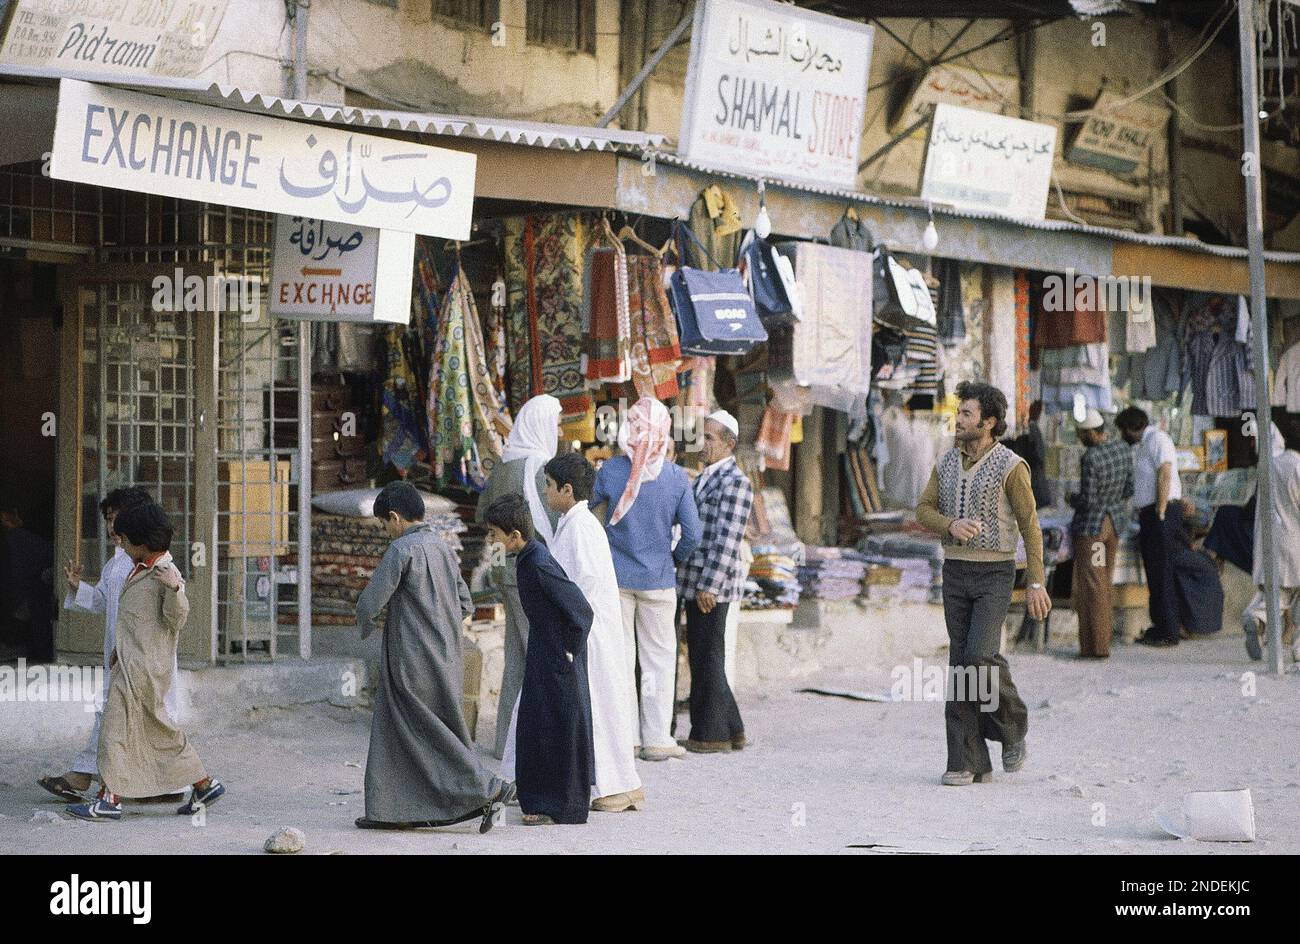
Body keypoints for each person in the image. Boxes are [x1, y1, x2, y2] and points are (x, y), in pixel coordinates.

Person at [353, 482, 514, 832]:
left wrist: (365, 622)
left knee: (424, 731)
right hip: (446, 655)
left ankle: (489, 787)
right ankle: (395, 810)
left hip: (410, 658)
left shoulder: (401, 550)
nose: (385, 532)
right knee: (404, 731)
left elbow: (370, 601)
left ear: (395, 518)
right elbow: (465, 603)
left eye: (384, 525)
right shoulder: (441, 548)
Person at [916, 381, 1047, 786]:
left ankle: (1013, 726)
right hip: (955, 572)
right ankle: (967, 762)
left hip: (995, 573)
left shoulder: (1011, 465)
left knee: (979, 656)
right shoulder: (945, 462)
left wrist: (1037, 583)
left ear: (989, 422)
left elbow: (1030, 525)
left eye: (968, 414)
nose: (960, 419)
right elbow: (923, 509)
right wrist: (949, 524)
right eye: (960, 412)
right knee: (960, 667)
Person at [67, 503, 224, 822]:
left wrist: (176, 589)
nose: (120, 544)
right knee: (158, 732)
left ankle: (109, 799)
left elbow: (176, 619)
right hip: (130, 662)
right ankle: (204, 784)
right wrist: (117, 650)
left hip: (143, 668)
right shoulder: (139, 567)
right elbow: (132, 619)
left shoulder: (165, 572)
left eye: (124, 539)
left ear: (141, 540)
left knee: (113, 731)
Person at [40, 487, 169, 803]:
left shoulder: (150, 565)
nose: (112, 528)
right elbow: (100, 601)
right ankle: (167, 784)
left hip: (136, 655)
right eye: (109, 520)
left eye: (118, 519)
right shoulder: (115, 566)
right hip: (118, 654)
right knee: (127, 718)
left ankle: (86, 779)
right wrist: (77, 587)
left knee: (118, 716)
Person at [590, 398, 701, 761]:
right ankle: (656, 739)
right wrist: (671, 560)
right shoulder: (676, 477)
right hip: (658, 580)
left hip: (617, 580)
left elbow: (593, 521)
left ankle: (626, 739)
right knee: (658, 661)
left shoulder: (609, 472)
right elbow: (693, 535)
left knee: (620, 659)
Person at [484, 494, 594, 825]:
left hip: (556, 656)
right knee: (537, 725)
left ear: (515, 536)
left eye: (495, 535)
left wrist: (569, 650)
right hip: (543, 651)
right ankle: (539, 799)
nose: (492, 541)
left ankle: (557, 806)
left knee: (555, 727)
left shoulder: (539, 563)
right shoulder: (526, 558)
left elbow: (581, 610)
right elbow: (496, 568)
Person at [542, 452, 643, 811]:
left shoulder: (582, 528)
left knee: (599, 706)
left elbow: (580, 584)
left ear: (567, 490)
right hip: (582, 629)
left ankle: (616, 785)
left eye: (549, 486)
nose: (545, 492)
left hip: (587, 631)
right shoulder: (572, 523)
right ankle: (606, 782)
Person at [475, 394, 562, 758]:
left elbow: (483, 512)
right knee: (538, 657)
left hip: (504, 572)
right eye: (555, 423)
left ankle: (505, 745)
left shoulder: (503, 465)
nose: (557, 430)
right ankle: (532, 747)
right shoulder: (539, 469)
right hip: (529, 573)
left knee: (516, 659)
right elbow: (554, 522)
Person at [676, 410, 752, 754]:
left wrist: (710, 585)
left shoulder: (736, 482)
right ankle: (733, 729)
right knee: (707, 654)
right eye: (701, 436)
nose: (702, 443)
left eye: (709, 438)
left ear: (728, 444)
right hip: (697, 580)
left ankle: (710, 735)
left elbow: (727, 538)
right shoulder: (706, 476)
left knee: (706, 657)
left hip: (711, 584)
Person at [1067, 410, 1134, 659]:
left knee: (1093, 587)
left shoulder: (1091, 458)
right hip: (1114, 525)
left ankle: (1096, 647)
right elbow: (1130, 489)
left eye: (1081, 434)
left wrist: (1070, 498)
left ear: (1091, 432)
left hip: (1093, 529)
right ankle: (1100, 643)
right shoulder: (1122, 450)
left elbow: (1088, 499)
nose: (1079, 438)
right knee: (1103, 582)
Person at [1116, 406, 1182, 647]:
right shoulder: (1143, 444)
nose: (1123, 436)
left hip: (1160, 513)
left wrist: (1161, 510)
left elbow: (1165, 473)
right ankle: (1159, 626)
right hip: (1150, 514)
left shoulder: (1158, 439)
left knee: (1162, 572)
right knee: (1154, 572)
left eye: (1123, 430)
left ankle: (1169, 631)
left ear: (1132, 428)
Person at [1243, 420, 1300, 662]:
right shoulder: (1296, 465)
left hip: (1269, 540)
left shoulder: (1268, 465)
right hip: (1294, 538)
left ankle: (1256, 617)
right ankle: (1298, 648)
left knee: (1275, 592)